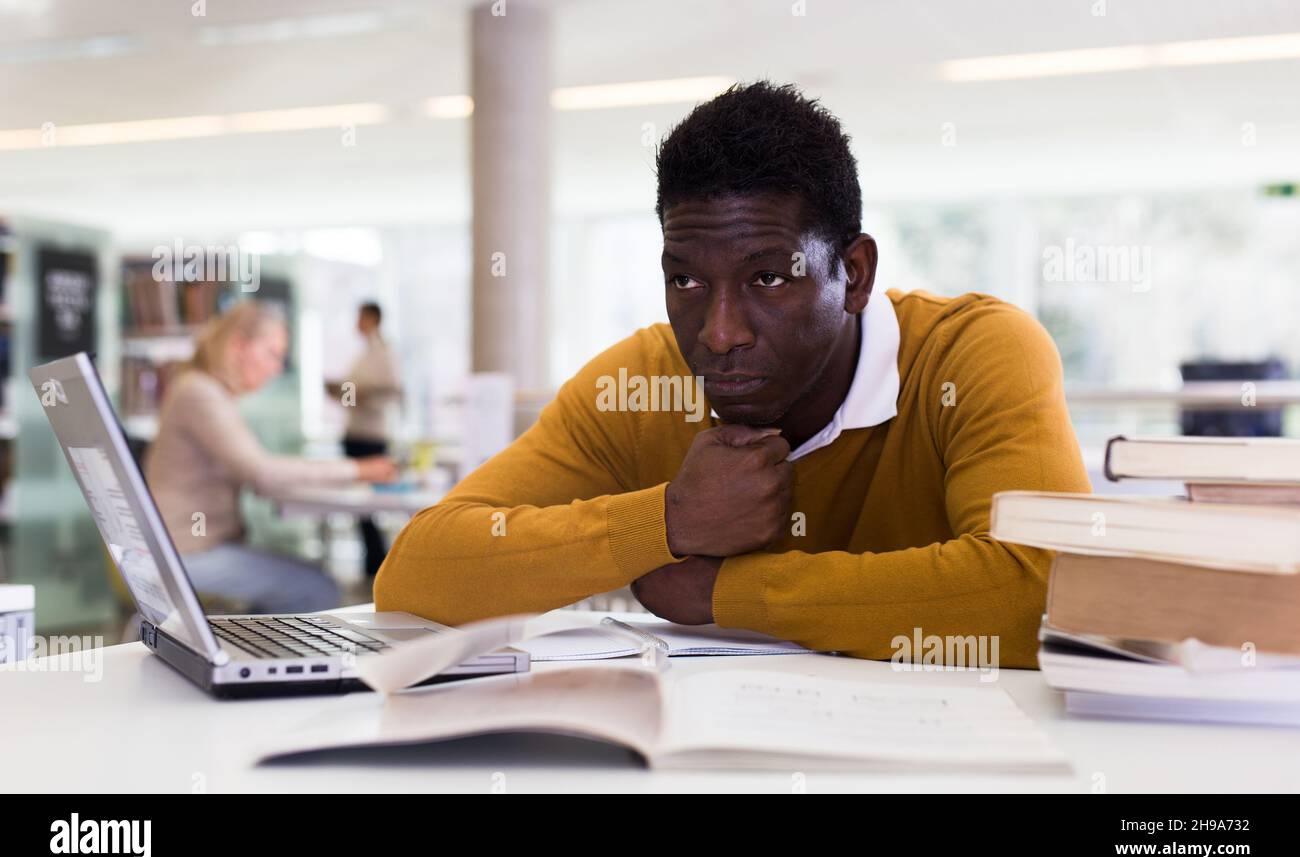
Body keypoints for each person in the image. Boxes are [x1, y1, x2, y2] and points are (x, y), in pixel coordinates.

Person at [374, 82, 1091, 668]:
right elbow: (418, 576)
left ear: (854, 274)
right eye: (685, 281)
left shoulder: (973, 353)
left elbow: (1043, 593)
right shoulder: (638, 383)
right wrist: (669, 518)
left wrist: (729, 593)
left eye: (768, 277)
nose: (719, 333)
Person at [145, 300, 397, 613]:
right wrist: (359, 470)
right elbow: (261, 473)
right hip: (185, 554)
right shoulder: (199, 393)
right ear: (238, 345)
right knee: (317, 588)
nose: (277, 368)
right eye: (272, 354)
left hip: (190, 548)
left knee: (308, 577)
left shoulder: (203, 391)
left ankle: (244, 650)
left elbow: (259, 474)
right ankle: (244, 655)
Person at [328, 301, 403, 576]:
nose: (357, 323)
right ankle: (373, 561)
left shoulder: (384, 353)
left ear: (373, 319)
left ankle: (380, 563)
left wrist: (359, 394)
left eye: (361, 317)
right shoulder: (364, 353)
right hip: (355, 432)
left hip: (371, 436)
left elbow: (391, 392)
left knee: (370, 503)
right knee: (360, 507)